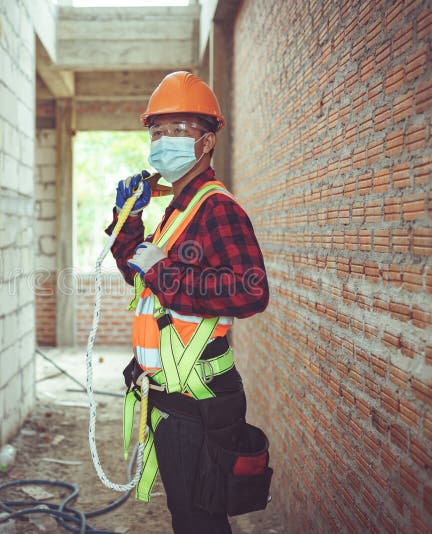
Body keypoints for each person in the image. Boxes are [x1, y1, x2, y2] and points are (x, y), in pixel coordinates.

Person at [105, 71, 271, 533]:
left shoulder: (218, 208)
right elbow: (140, 279)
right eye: (157, 131)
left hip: (198, 398)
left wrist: (163, 270)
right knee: (191, 513)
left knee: (199, 519)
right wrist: (130, 220)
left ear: (207, 141)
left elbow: (251, 289)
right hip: (171, 396)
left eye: (178, 130)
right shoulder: (178, 210)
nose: (163, 141)